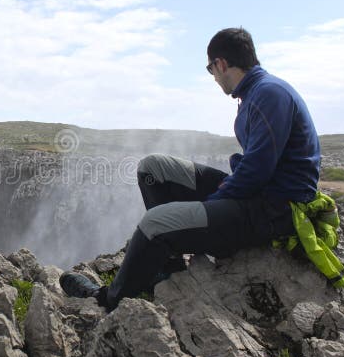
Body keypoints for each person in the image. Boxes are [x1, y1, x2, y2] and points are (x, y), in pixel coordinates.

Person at [61, 28, 321, 310]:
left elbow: (258, 170)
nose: (214, 77)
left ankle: (107, 300)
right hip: (258, 195)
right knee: (152, 168)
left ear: (221, 64)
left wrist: (211, 205)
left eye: (211, 70)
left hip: (272, 211)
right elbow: (258, 168)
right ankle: (166, 268)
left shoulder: (269, 94)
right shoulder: (258, 93)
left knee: (155, 224)